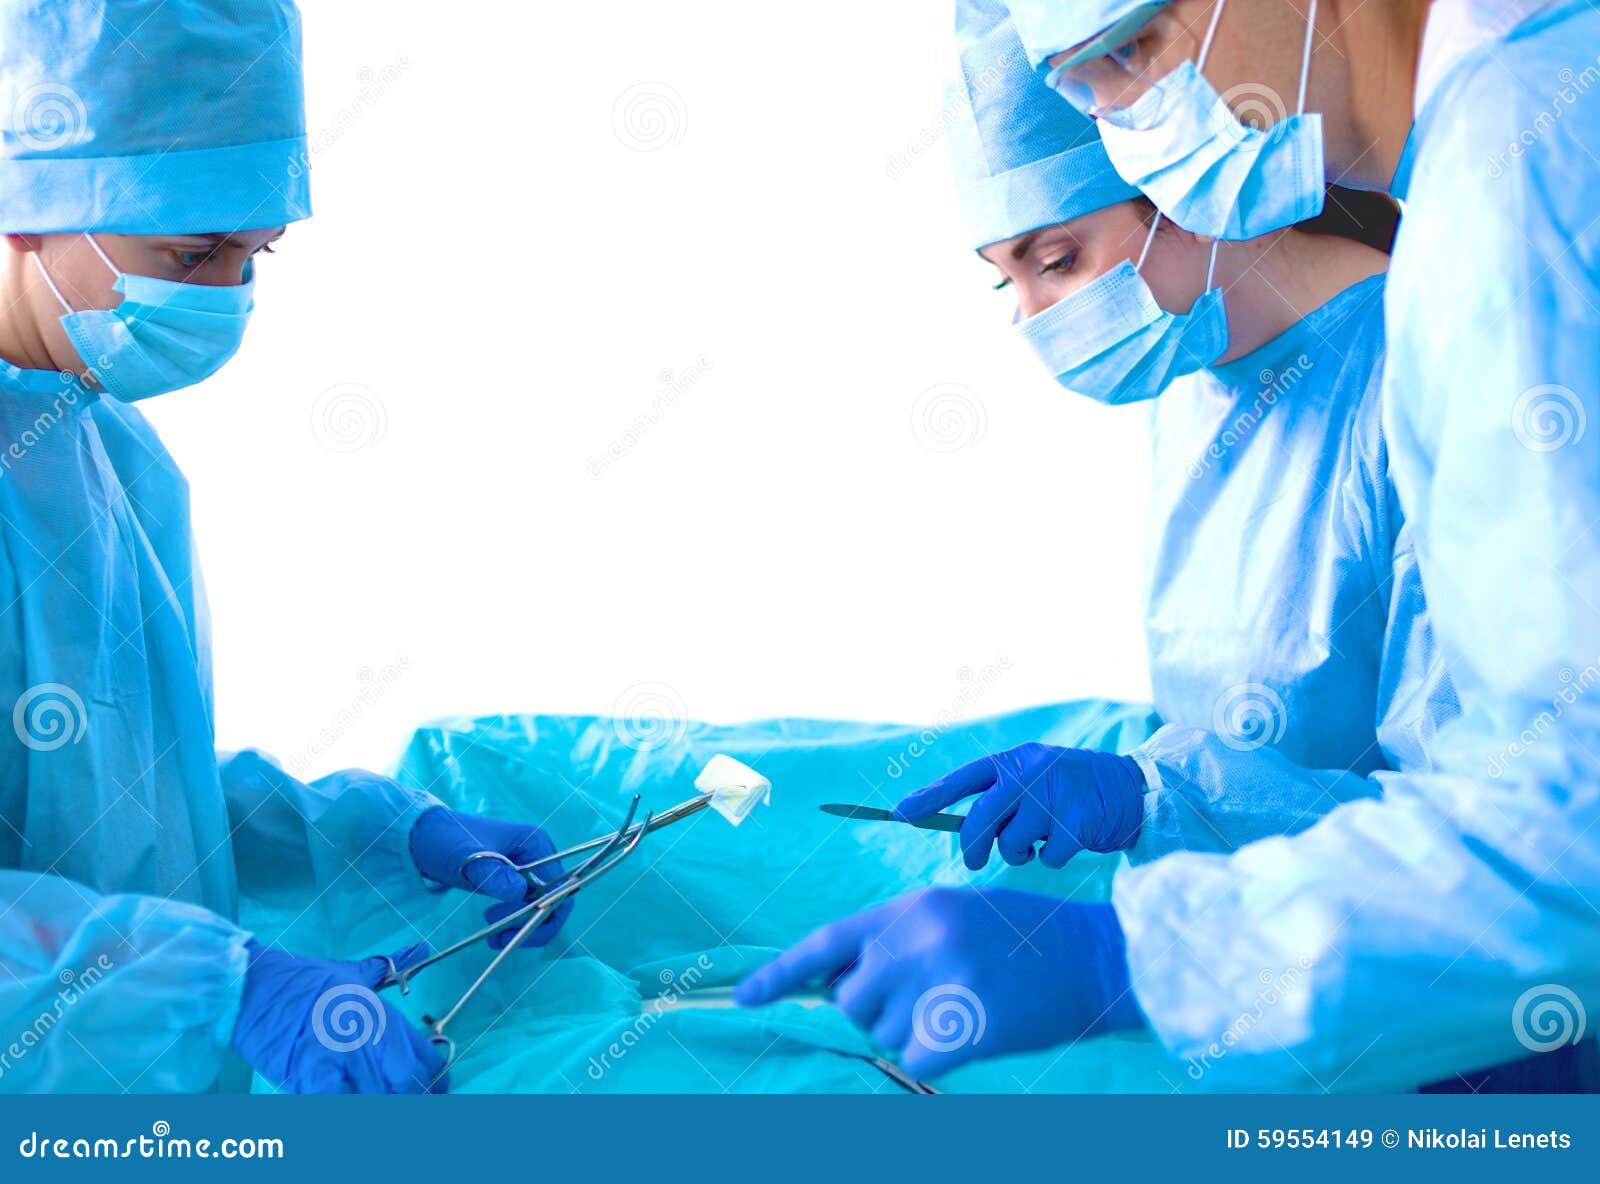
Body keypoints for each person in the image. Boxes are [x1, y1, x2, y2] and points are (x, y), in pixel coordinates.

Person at [735, 0, 1455, 1081]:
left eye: (1056, 258)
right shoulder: (1203, 381)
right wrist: (1157, 793)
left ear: (1183, 178)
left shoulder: (1427, 377)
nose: (1029, 316)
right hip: (1252, 940)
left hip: (1427, 1019)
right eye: (1003, 280)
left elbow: (1500, 835)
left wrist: (1155, 824)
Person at [972, 0, 1600, 1089]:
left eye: (1131, 48)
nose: (1128, 120)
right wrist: (1162, 795)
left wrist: (1132, 957)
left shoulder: (1522, 165)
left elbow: (1563, 815)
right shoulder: (1478, 159)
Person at [0, 0, 569, 1094]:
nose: (225, 296)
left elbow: (107, 801)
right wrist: (223, 984)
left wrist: (372, 836)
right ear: (24, 201)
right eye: (192, 249)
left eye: (258, 252)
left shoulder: (109, 451)